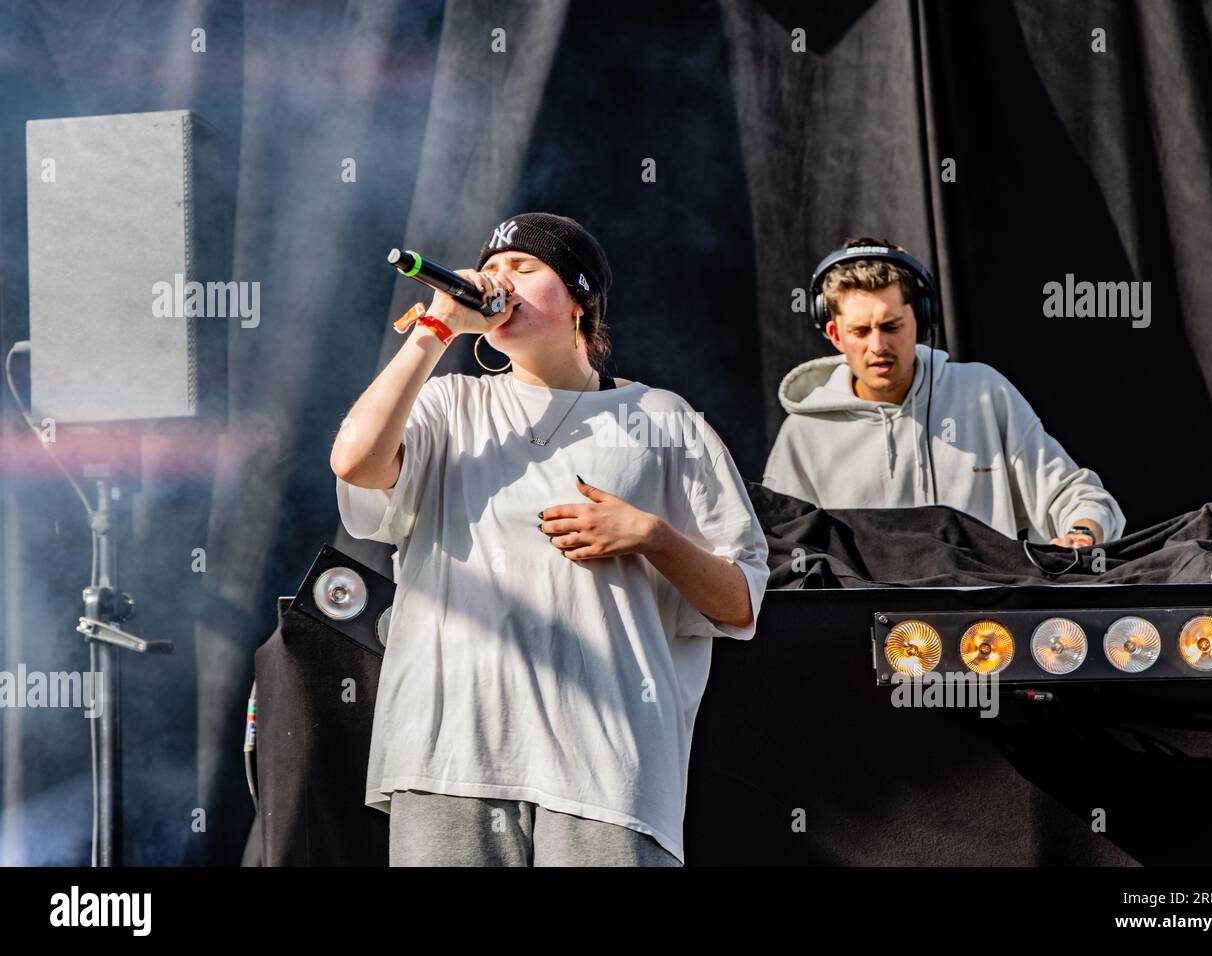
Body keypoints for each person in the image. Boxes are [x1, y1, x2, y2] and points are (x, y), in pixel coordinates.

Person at [331, 212, 768, 867]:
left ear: (579, 299)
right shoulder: (452, 404)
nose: (496, 281)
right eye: (492, 268)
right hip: (451, 752)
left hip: (605, 764)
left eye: (523, 267)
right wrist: (435, 328)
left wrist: (652, 537)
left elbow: (740, 601)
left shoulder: (659, 418)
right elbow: (356, 462)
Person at [762, 235, 1125, 548]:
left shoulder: (983, 393)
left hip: (986, 626)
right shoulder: (803, 434)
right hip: (862, 627)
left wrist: (1081, 533)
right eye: (861, 331)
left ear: (919, 320)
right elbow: (777, 547)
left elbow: (1077, 496)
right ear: (836, 336)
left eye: (892, 326)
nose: (878, 345)